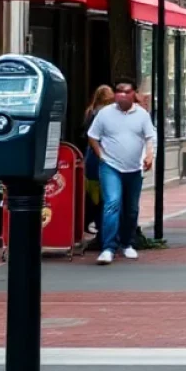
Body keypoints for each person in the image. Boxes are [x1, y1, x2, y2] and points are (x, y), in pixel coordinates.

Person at [87, 77, 155, 265]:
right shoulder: (105, 114)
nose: (122, 95)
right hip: (110, 166)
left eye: (126, 91)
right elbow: (92, 136)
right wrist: (101, 155)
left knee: (131, 209)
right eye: (119, 91)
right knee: (112, 203)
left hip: (134, 168)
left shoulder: (142, 115)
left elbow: (150, 137)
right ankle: (108, 247)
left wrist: (149, 155)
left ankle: (127, 243)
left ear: (134, 94)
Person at [82, 85, 114, 250]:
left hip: (91, 161)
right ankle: (104, 235)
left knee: (96, 199)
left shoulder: (90, 111)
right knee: (107, 199)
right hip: (105, 159)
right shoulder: (109, 114)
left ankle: (98, 229)